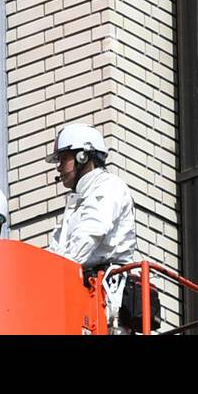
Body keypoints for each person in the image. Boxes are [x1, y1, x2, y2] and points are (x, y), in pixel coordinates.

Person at [45, 124, 138, 330]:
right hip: (86, 297)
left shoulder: (108, 187)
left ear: (82, 157)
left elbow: (88, 237)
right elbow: (55, 251)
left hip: (106, 301)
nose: (59, 167)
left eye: (63, 159)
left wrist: (51, 278)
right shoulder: (77, 201)